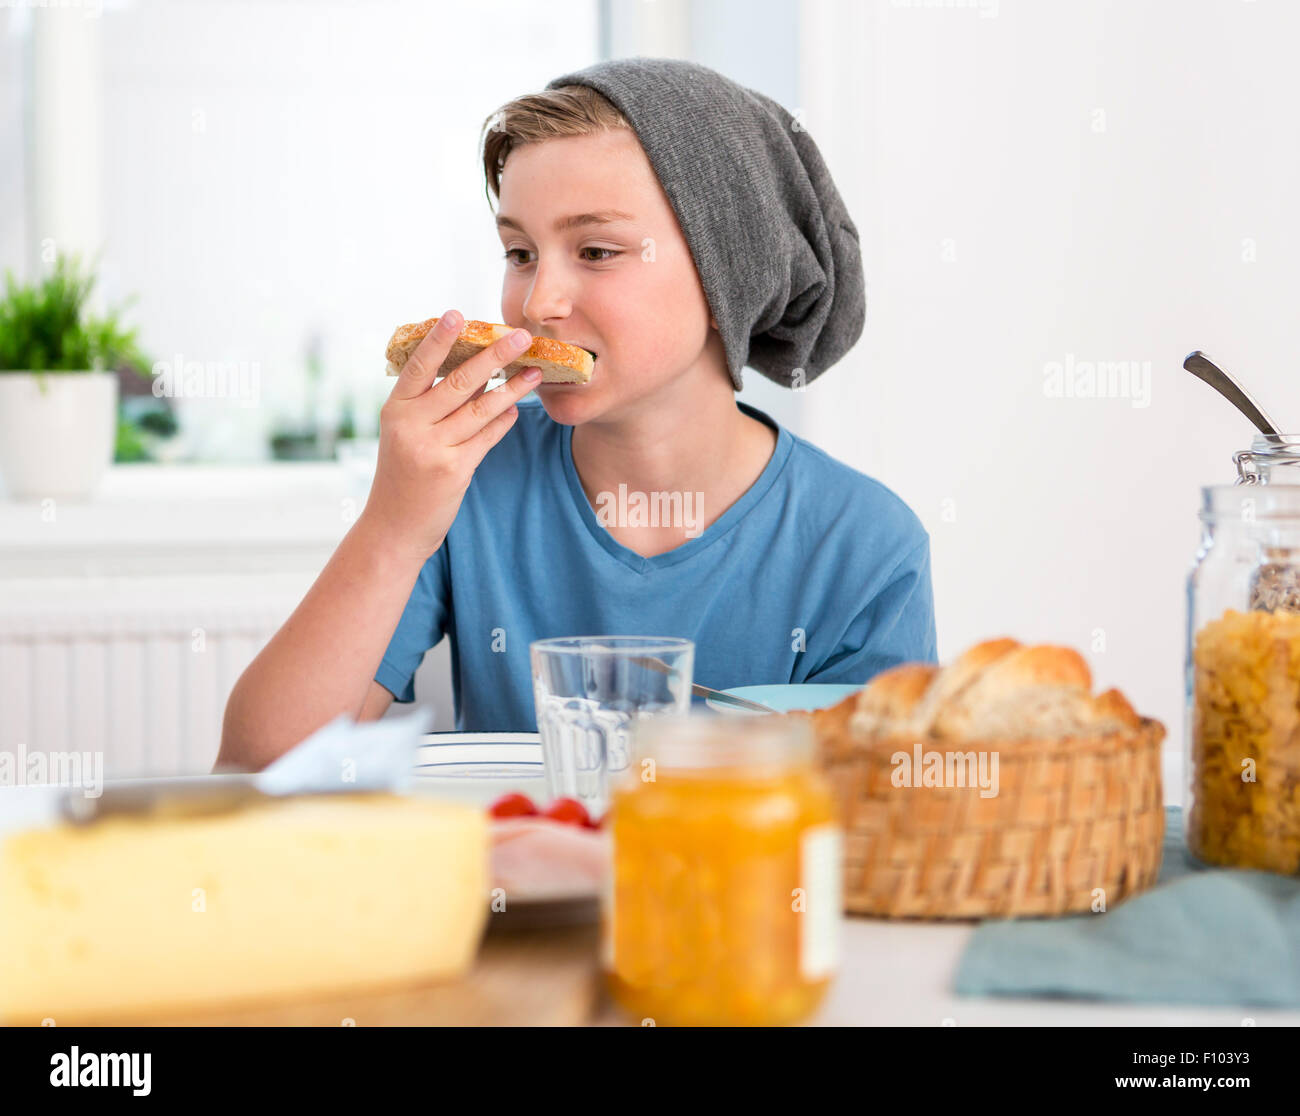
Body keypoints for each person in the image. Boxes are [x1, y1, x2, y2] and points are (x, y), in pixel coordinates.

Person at [218, 58, 937, 770]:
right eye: (520, 252)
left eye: (595, 250)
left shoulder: (864, 546)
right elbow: (258, 772)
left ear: (730, 276)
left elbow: (885, 832)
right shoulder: (468, 479)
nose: (537, 304)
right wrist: (392, 527)